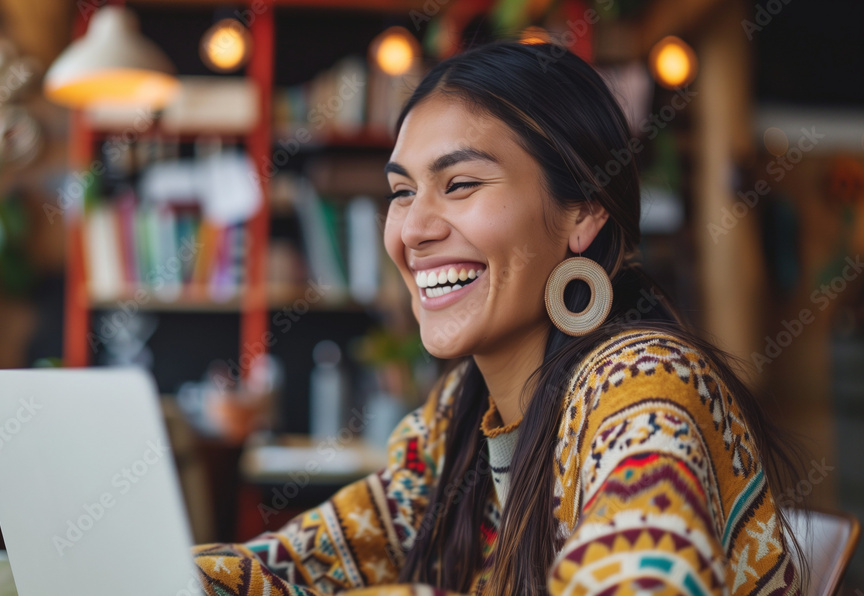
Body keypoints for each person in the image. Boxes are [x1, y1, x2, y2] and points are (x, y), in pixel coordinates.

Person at [194, 41, 804, 595]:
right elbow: (290, 566)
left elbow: (644, 583)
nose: (414, 229)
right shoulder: (456, 420)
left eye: (459, 184)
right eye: (402, 193)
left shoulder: (643, 383)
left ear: (582, 215)